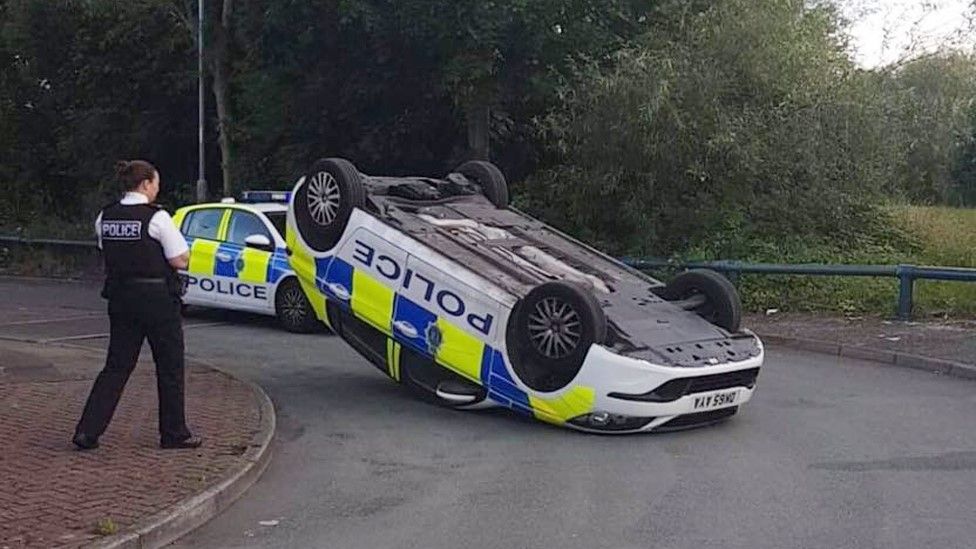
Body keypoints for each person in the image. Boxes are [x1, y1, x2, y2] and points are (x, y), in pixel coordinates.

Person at [73, 160, 202, 450]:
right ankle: (173, 433)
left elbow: (106, 250)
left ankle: (87, 430)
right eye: (156, 183)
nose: (157, 189)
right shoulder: (157, 218)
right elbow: (180, 259)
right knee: (169, 366)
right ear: (145, 184)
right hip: (157, 300)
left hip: (121, 297)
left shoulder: (106, 216)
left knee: (116, 366)